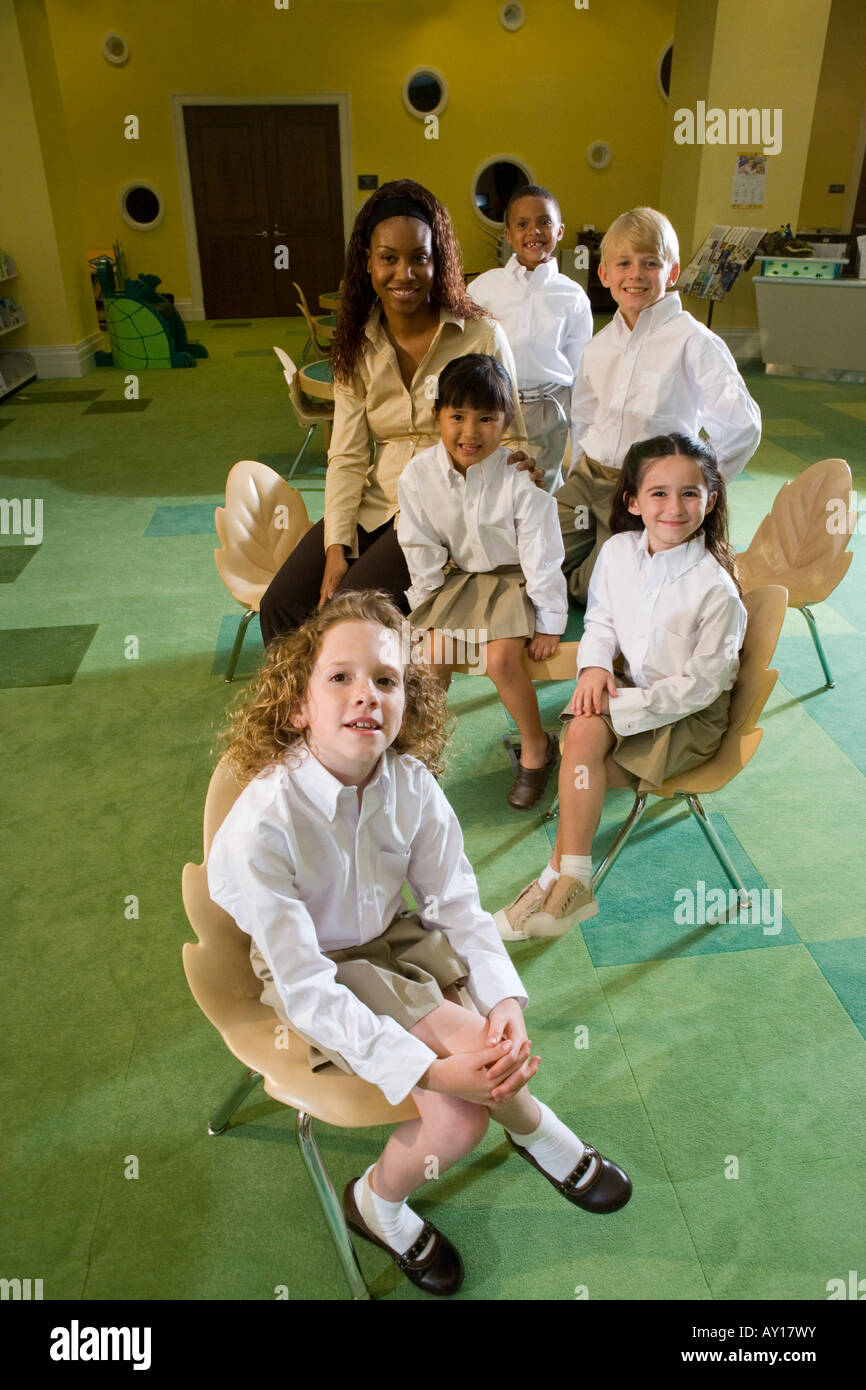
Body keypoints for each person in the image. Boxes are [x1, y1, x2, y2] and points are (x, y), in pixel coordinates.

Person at [207, 591, 632, 1296]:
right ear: (298, 707)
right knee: (460, 1122)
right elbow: (307, 986)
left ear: (409, 702)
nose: (366, 695)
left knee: (492, 1042)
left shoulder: (410, 782)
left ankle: (519, 1137)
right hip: (315, 968)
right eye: (339, 677)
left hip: (394, 944)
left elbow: (458, 906)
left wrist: (505, 998)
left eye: (386, 679)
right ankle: (378, 1199)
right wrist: (430, 1074)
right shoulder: (265, 824)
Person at [258, 179, 534, 646]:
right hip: (376, 501)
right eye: (388, 258)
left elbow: (512, 438)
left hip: (444, 510)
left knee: (348, 611)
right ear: (367, 262)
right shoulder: (354, 345)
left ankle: (360, 711)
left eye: (418, 258)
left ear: (437, 260)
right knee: (280, 603)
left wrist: (519, 472)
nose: (403, 273)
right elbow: (345, 456)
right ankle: (299, 715)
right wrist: (336, 547)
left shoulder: (480, 335)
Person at [496, 434, 747, 941]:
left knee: (576, 759)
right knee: (582, 736)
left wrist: (625, 703)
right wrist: (593, 668)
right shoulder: (616, 551)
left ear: (711, 500)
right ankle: (574, 881)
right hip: (632, 689)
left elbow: (701, 687)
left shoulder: (715, 590)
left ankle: (555, 876)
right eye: (658, 493)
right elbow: (602, 623)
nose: (673, 507)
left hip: (687, 718)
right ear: (632, 501)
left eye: (690, 493)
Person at [557, 206, 761, 603]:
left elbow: (743, 425)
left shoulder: (693, 341)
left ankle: (645, 572)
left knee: (598, 589)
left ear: (671, 272)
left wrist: (692, 492)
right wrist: (577, 469)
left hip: (643, 493)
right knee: (533, 557)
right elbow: (584, 415)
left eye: (650, 263)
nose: (635, 274)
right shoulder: (599, 346)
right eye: (624, 263)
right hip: (588, 479)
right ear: (604, 274)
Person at [397, 354, 567, 810]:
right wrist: (426, 605)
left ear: (506, 421)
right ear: (437, 416)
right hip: (461, 581)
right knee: (432, 655)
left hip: (515, 580)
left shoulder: (520, 479)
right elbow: (420, 544)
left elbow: (541, 554)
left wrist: (550, 619)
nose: (469, 433)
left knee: (501, 660)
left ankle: (536, 749)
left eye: (486, 418)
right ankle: (422, 753)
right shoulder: (418, 475)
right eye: (457, 416)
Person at [468, 184, 593, 493]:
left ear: (560, 230)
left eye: (544, 222)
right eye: (522, 224)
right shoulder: (484, 288)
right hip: (496, 404)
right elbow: (468, 352)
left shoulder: (572, 296)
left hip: (549, 406)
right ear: (508, 234)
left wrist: (581, 441)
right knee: (493, 485)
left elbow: (579, 369)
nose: (533, 231)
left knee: (540, 486)